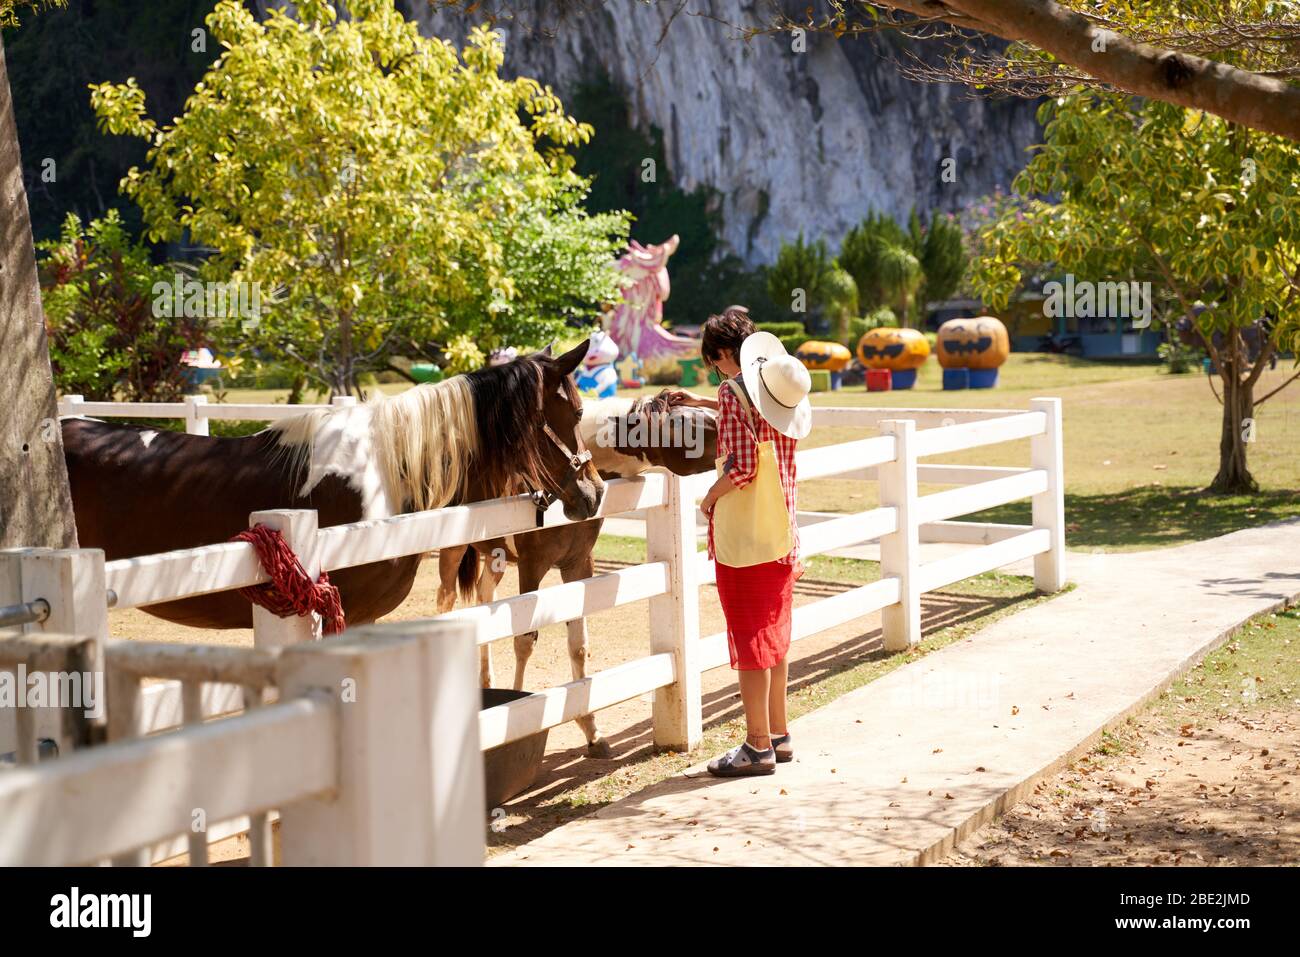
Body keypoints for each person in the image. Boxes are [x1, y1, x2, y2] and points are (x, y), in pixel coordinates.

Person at [667, 306, 812, 777]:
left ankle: (756, 747)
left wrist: (708, 498)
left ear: (726, 354)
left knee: (750, 640)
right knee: (774, 638)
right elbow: (754, 417)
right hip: (782, 535)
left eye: (715, 362)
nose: (717, 372)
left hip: (747, 540)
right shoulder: (780, 394)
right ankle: (779, 734)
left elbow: (743, 468)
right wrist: (706, 401)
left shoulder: (732, 391)